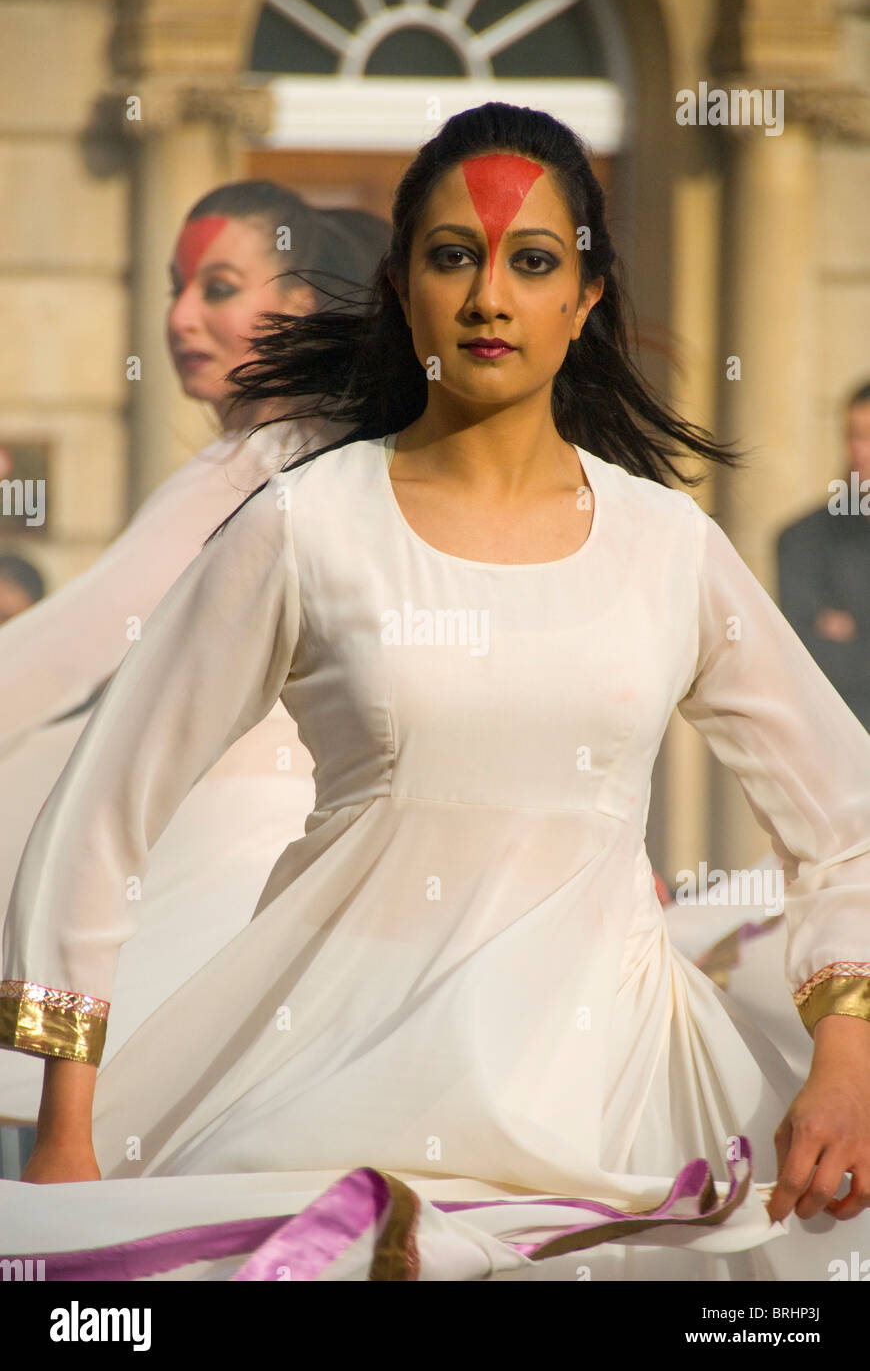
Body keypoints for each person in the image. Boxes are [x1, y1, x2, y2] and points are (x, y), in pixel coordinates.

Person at [2, 102, 870, 1282]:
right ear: (404, 285)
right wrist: (65, 1135)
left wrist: (846, 1062)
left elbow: (849, 821)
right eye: (453, 257)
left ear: (588, 295)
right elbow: (103, 809)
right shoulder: (304, 525)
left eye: (533, 261)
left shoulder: (669, 546)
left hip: (615, 1116)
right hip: (326, 1096)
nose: (489, 299)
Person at [0, 181, 390, 1131]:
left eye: (217, 287)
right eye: (177, 286)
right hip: (334, 877)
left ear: (301, 303)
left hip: (219, 871)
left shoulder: (257, 464)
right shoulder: (361, 460)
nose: (179, 316)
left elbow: (67, 649)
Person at [777, 380, 870, 732]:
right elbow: (811, 665)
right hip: (843, 751)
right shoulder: (804, 540)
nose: (860, 451)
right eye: (854, 436)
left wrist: (855, 631)